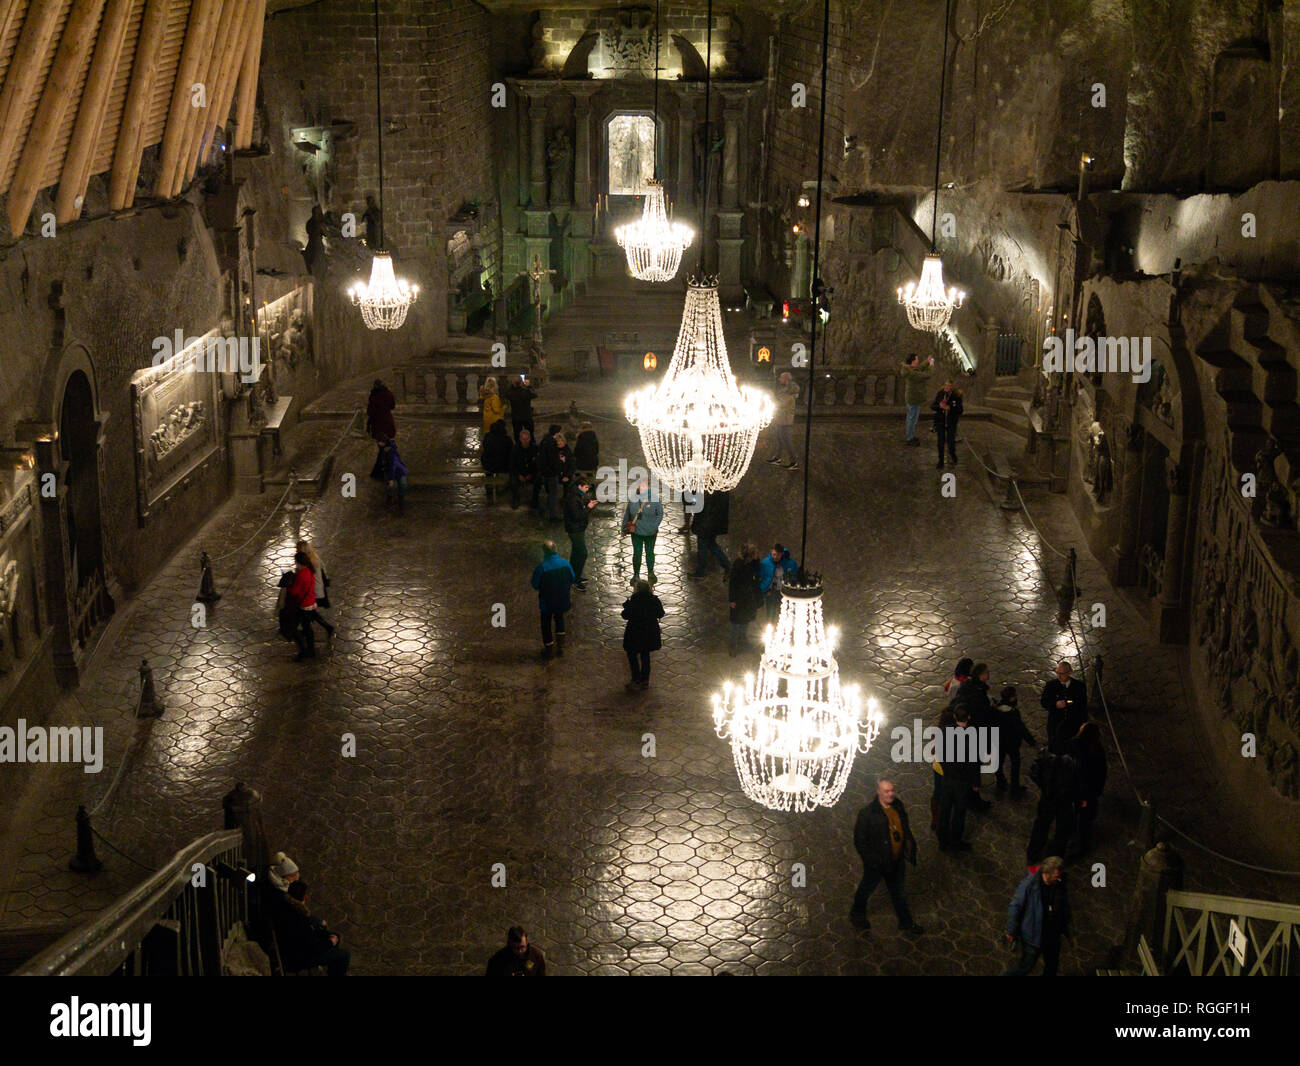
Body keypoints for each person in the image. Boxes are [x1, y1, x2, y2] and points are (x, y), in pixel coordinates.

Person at [850, 779, 924, 933]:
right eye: (886, 791)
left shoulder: (898, 805)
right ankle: (857, 913)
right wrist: (872, 861)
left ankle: (906, 922)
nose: (891, 794)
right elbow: (860, 841)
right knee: (866, 888)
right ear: (878, 792)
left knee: (899, 892)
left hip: (896, 861)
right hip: (878, 863)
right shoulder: (867, 814)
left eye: (892, 790)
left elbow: (904, 827)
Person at [1003, 857, 1071, 976]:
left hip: (1052, 934)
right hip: (1034, 936)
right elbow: (1016, 906)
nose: (1059, 878)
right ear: (1046, 873)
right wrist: (1011, 930)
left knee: (1052, 964)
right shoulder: (1029, 885)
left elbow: (1064, 905)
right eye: (1056, 876)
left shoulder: (1059, 882)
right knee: (1025, 967)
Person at [273, 879, 351, 976]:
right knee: (344, 954)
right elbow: (312, 948)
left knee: (334, 936)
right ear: (304, 897)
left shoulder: (287, 907)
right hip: (298, 959)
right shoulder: (300, 920)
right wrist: (330, 943)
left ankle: (334, 966)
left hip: (290, 949)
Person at [1025, 745, 1079, 866]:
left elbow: (1034, 772)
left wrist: (1044, 788)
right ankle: (1056, 858)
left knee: (1041, 825)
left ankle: (1033, 853)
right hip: (1064, 800)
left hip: (1048, 797)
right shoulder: (1072, 761)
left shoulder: (1046, 754)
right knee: (1062, 829)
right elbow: (1076, 783)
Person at [938, 704, 979, 852]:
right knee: (959, 813)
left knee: (945, 811)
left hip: (947, 778)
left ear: (954, 716)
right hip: (963, 782)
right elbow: (974, 763)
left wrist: (945, 769)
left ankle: (942, 841)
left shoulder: (944, 731)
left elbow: (940, 754)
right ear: (968, 717)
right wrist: (976, 782)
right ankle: (955, 841)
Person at [956, 662, 995, 811]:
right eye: (986, 672)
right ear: (980, 675)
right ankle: (973, 797)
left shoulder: (968, 687)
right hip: (976, 733)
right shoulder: (976, 692)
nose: (988, 674)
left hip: (972, 731)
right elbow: (982, 713)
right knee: (974, 766)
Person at [530, 540, 574, 659]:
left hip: (547, 602)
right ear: (556, 550)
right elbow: (572, 578)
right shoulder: (566, 563)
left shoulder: (541, 568)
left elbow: (535, 585)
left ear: (544, 552)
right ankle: (561, 647)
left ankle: (549, 650)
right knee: (559, 619)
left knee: (546, 623)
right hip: (563, 599)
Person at [1069, 722, 1108, 856]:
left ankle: (1081, 845)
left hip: (1083, 792)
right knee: (1082, 816)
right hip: (1084, 791)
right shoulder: (1095, 750)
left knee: (1083, 819)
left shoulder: (1085, 751)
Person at [621, 579, 665, 692]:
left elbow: (625, 615)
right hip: (649, 633)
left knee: (632, 656)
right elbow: (661, 613)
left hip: (634, 632)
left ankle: (636, 679)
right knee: (645, 656)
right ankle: (645, 680)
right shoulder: (654, 600)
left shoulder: (634, 600)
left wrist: (626, 606)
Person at [994, 685, 1037, 797]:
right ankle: (1014, 787)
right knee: (1015, 763)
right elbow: (1021, 728)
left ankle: (1000, 782)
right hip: (1011, 743)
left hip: (999, 741)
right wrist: (1031, 741)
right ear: (1012, 698)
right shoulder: (1013, 713)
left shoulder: (996, 709)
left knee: (999, 762)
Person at [623, 479, 664, 585]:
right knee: (637, 553)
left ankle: (651, 572)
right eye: (640, 486)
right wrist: (623, 528)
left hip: (650, 532)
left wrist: (653, 527)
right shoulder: (633, 498)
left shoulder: (654, 499)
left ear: (649, 487)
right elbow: (627, 513)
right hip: (636, 532)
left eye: (644, 486)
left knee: (649, 552)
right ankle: (636, 574)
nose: (641, 488)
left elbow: (660, 514)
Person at [1041, 660, 1089, 752]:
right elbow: (1044, 702)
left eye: (1062, 674)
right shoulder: (1051, 685)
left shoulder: (1079, 686)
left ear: (1069, 673)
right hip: (1055, 724)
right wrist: (1055, 704)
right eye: (1057, 673)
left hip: (1073, 724)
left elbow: (1082, 705)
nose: (1059, 676)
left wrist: (1083, 725)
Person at [563, 474, 597, 590]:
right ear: (580, 486)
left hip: (578, 528)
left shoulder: (577, 495)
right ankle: (575, 579)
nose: (587, 490)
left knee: (576, 553)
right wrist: (588, 508)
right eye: (586, 488)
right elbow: (577, 515)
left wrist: (588, 505)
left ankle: (572, 576)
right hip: (575, 529)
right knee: (582, 553)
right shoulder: (573, 498)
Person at [727, 542, 762, 656]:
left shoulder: (753, 563)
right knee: (736, 624)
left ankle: (742, 640)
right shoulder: (738, 565)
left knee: (745, 621)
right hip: (739, 599)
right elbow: (733, 583)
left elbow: (756, 575)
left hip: (748, 599)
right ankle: (732, 645)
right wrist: (732, 600)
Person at [296, 540, 335, 640]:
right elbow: (324, 571)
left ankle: (312, 631)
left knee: (309, 612)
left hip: (313, 591)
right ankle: (326, 627)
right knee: (311, 612)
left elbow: (305, 577)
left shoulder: (307, 562)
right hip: (318, 588)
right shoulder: (315, 557)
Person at [690, 490, 731, 578]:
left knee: (703, 548)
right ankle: (727, 565)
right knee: (712, 545)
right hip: (715, 524)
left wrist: (692, 499)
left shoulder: (705, 491)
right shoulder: (722, 489)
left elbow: (695, 505)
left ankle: (700, 571)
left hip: (704, 524)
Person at [765, 372, 801, 469]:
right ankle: (777, 458)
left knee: (787, 441)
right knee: (779, 439)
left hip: (785, 421)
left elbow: (779, 404)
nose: (779, 379)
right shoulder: (786, 391)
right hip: (781, 418)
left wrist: (771, 396)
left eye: (781, 378)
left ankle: (794, 462)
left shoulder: (789, 393)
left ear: (786, 380)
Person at [537, 424, 571, 523]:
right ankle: (553, 516)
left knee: (549, 493)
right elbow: (553, 460)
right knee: (553, 494)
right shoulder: (552, 443)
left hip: (544, 472)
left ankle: (547, 512)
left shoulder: (544, 441)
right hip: (551, 473)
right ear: (556, 433)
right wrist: (560, 462)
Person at [287, 550, 318, 660]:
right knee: (307, 628)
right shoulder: (310, 571)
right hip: (311, 603)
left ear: (298, 562)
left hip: (303, 605)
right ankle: (311, 650)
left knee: (293, 628)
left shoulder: (301, 574)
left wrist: (288, 585)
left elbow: (295, 591)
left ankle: (304, 652)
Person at [757, 543, 798, 622]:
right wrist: (761, 588)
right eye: (774, 554)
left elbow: (794, 575)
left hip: (782, 592)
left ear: (782, 554)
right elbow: (760, 577)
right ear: (771, 552)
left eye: (778, 555)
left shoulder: (789, 563)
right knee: (770, 612)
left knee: (782, 612)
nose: (775, 557)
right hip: (770, 591)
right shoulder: (765, 563)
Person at [900, 353, 934, 445]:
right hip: (913, 398)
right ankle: (909, 438)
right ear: (913, 361)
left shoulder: (909, 369)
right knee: (912, 419)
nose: (918, 360)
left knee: (911, 418)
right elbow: (927, 375)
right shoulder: (912, 373)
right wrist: (931, 365)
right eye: (917, 359)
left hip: (913, 398)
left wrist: (927, 361)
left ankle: (910, 435)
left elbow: (919, 368)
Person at [931, 380, 962, 469]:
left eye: (949, 386)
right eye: (946, 385)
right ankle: (940, 460)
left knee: (951, 441)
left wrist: (950, 408)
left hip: (951, 422)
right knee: (940, 442)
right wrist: (940, 407)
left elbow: (960, 410)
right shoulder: (940, 394)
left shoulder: (956, 396)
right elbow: (933, 406)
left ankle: (952, 454)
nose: (947, 387)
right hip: (940, 421)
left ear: (952, 387)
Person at [509, 427, 540, 511]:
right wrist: (518, 475)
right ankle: (516, 499)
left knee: (538, 479)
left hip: (530, 472)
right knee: (513, 480)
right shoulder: (515, 449)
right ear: (520, 439)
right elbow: (512, 464)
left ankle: (535, 500)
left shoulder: (535, 448)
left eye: (526, 439)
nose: (525, 441)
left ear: (530, 438)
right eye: (523, 439)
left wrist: (531, 474)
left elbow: (537, 464)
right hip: (519, 472)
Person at [480, 418, 512, 502]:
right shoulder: (507, 439)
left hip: (489, 466)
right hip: (504, 466)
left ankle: (489, 489)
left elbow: (485, 449)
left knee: (487, 461)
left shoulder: (487, 437)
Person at [380, 438, 409, 513]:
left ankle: (400, 502)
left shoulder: (391, 450)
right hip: (394, 471)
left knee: (402, 484)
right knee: (394, 486)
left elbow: (392, 465)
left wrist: (390, 479)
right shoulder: (387, 450)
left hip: (398, 471)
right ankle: (390, 500)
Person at [507, 375, 537, 443]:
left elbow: (506, 394)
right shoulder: (526, 391)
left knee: (517, 433)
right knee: (530, 433)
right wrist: (529, 386)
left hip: (516, 416)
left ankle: (518, 445)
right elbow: (534, 394)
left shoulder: (511, 393)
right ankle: (531, 445)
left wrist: (512, 386)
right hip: (527, 415)